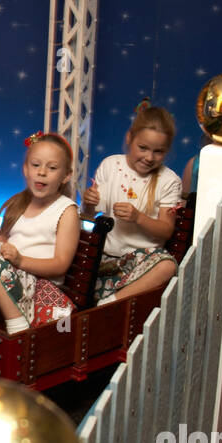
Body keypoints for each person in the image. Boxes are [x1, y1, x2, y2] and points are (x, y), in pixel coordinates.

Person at [0, 132, 80, 335]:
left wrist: (20, 260)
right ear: (25, 169)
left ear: (66, 175)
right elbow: (1, 245)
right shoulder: (18, 203)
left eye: (52, 168)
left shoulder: (66, 210)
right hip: (11, 275)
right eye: (36, 165)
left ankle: (17, 325)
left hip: (38, 282)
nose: (42, 172)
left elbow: (61, 265)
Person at [82, 103, 182, 305]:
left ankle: (110, 303)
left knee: (167, 266)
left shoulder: (169, 180)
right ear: (130, 138)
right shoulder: (111, 165)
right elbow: (90, 217)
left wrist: (139, 218)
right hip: (107, 258)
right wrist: (89, 203)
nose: (149, 157)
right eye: (143, 148)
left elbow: (166, 231)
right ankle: (112, 298)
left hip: (143, 262)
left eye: (158, 151)